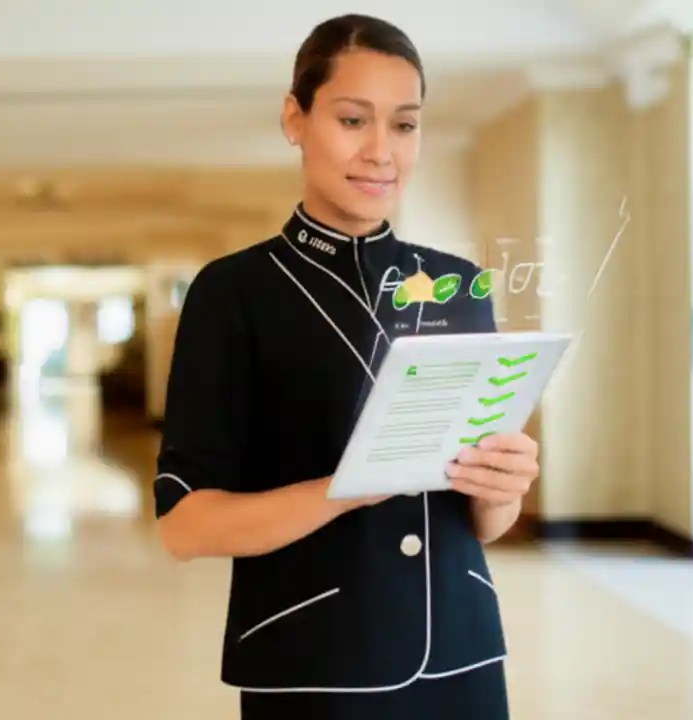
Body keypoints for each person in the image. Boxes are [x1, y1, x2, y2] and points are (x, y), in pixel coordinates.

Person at [152, 13, 540, 719]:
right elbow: (186, 526)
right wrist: (350, 488)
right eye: (353, 120)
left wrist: (501, 487)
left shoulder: (458, 287)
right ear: (294, 118)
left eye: (405, 125)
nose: (381, 152)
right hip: (315, 665)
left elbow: (479, 523)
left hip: (463, 656)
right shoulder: (235, 292)